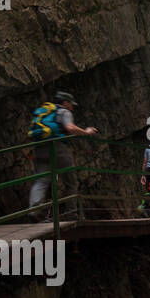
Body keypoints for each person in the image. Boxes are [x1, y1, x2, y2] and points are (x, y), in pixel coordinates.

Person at [28, 91, 97, 219]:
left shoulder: (48, 112)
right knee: (70, 182)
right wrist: (86, 132)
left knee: (41, 181)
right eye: (71, 104)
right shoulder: (64, 112)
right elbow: (70, 128)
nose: (72, 107)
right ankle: (70, 213)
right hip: (58, 148)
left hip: (40, 148)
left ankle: (34, 212)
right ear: (65, 103)